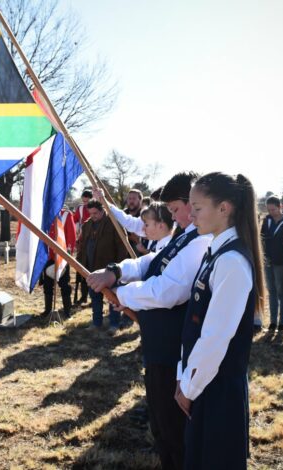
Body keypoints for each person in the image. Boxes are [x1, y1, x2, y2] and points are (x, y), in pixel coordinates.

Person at [87, 172, 211, 470]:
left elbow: (168, 291)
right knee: (161, 427)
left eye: (178, 209)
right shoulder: (183, 234)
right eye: (175, 210)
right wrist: (116, 271)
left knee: (173, 430)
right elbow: (149, 262)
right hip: (158, 345)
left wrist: (123, 294)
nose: (178, 216)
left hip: (173, 349)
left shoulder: (200, 239)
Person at [175, 172, 264, 469]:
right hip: (203, 382)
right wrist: (184, 375)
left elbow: (216, 337)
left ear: (224, 208)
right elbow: (195, 326)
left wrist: (188, 387)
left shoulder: (231, 261)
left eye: (198, 208)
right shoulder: (216, 251)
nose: (190, 215)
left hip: (217, 389)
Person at [76, 199, 128, 332]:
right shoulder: (87, 225)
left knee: (113, 298)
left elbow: (123, 247)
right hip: (92, 268)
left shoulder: (114, 224)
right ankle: (96, 323)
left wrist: (119, 268)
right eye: (90, 213)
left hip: (110, 270)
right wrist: (80, 261)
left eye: (95, 213)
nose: (92, 216)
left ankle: (114, 324)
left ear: (103, 210)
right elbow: (82, 245)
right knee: (95, 297)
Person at [260, 195, 283, 333]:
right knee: (272, 292)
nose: (271, 212)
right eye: (269, 210)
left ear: (280, 206)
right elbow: (262, 238)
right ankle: (272, 322)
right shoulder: (267, 220)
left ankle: (282, 323)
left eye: (274, 209)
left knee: (282, 292)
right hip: (268, 262)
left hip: (281, 263)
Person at [40, 207, 76, 316]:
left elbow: (71, 236)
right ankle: (47, 310)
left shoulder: (66, 215)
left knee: (64, 285)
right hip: (48, 256)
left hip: (62, 256)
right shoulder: (45, 213)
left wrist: (67, 254)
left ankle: (67, 311)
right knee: (47, 285)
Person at [72, 189, 93, 304]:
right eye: (84, 201)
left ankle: (94, 297)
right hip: (82, 242)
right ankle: (83, 296)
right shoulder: (80, 208)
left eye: (87, 201)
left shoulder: (96, 208)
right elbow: (75, 220)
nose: (85, 204)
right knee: (82, 270)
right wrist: (77, 232)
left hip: (93, 242)